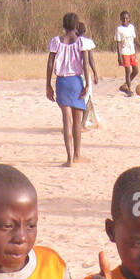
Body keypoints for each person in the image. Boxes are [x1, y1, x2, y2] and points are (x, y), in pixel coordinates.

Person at [47, 13, 92, 167]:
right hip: (76, 81)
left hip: (62, 82)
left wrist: (48, 84)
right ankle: (77, 154)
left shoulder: (56, 42)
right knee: (77, 122)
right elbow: (85, 64)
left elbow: (50, 64)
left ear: (63, 26)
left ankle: (69, 159)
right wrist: (87, 85)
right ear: (76, 26)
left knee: (67, 121)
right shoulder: (82, 42)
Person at [76, 20, 103, 131]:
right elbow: (90, 60)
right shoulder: (87, 42)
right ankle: (82, 124)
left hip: (73, 75)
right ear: (85, 31)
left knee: (76, 99)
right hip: (83, 75)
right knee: (87, 99)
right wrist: (95, 72)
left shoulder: (71, 42)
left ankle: (76, 123)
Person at [115, 10, 140, 96]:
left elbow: (135, 39)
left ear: (129, 19)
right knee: (128, 70)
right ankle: (129, 89)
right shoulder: (119, 29)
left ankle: (125, 85)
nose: (125, 20)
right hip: (124, 52)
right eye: (123, 18)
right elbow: (118, 43)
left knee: (136, 70)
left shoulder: (131, 27)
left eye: (126, 18)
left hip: (132, 52)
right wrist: (119, 56)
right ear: (120, 19)